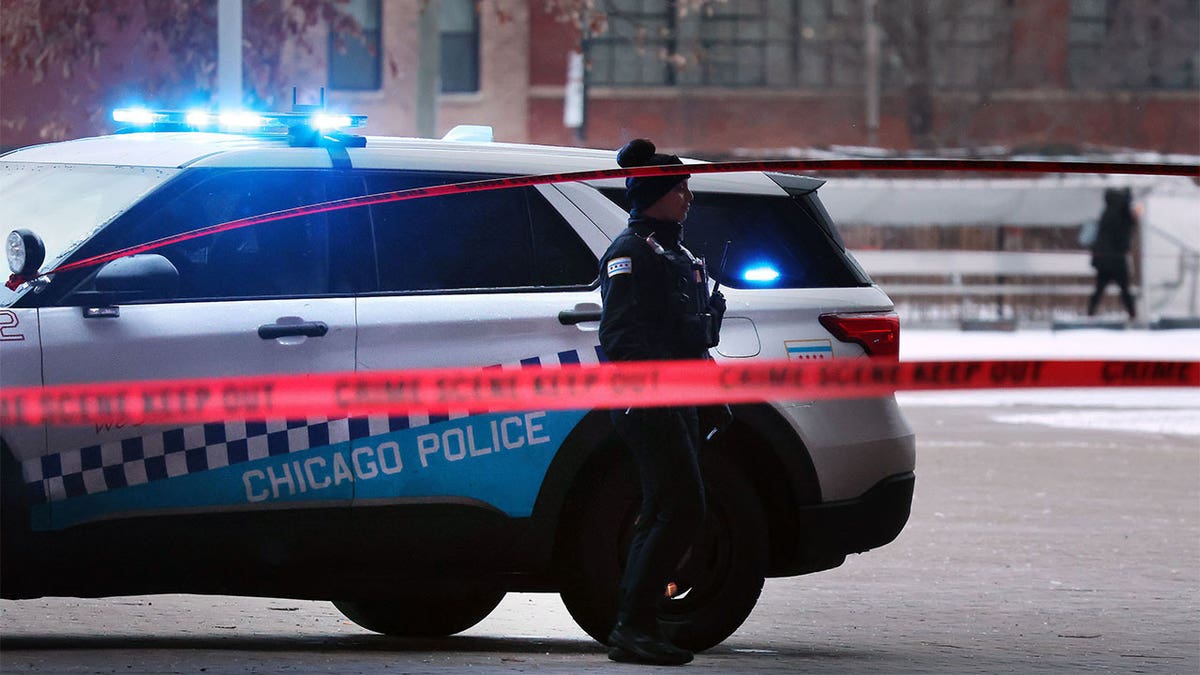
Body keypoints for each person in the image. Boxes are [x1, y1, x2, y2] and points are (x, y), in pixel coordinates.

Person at [598, 138, 726, 666]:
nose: (688, 197)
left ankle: (637, 624)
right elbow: (624, 338)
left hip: (683, 398)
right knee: (679, 507)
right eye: (680, 188)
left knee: (667, 508)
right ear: (656, 194)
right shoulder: (631, 253)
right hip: (650, 401)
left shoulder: (678, 254)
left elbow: (685, 336)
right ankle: (633, 625)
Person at [1086, 187, 1138, 320]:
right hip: (1117, 260)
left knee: (1099, 289)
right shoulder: (1122, 212)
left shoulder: (1107, 212)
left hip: (1104, 259)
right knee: (1125, 290)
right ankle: (1133, 315)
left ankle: (1090, 314)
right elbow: (1128, 226)